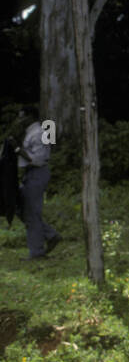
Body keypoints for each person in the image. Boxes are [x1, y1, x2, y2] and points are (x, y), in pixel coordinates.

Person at [16, 105, 60, 261]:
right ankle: (50, 234)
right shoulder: (30, 133)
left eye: (22, 117)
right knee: (22, 209)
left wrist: (19, 151)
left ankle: (37, 252)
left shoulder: (40, 133)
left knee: (31, 212)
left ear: (30, 116)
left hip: (37, 173)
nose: (20, 120)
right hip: (30, 174)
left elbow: (39, 159)